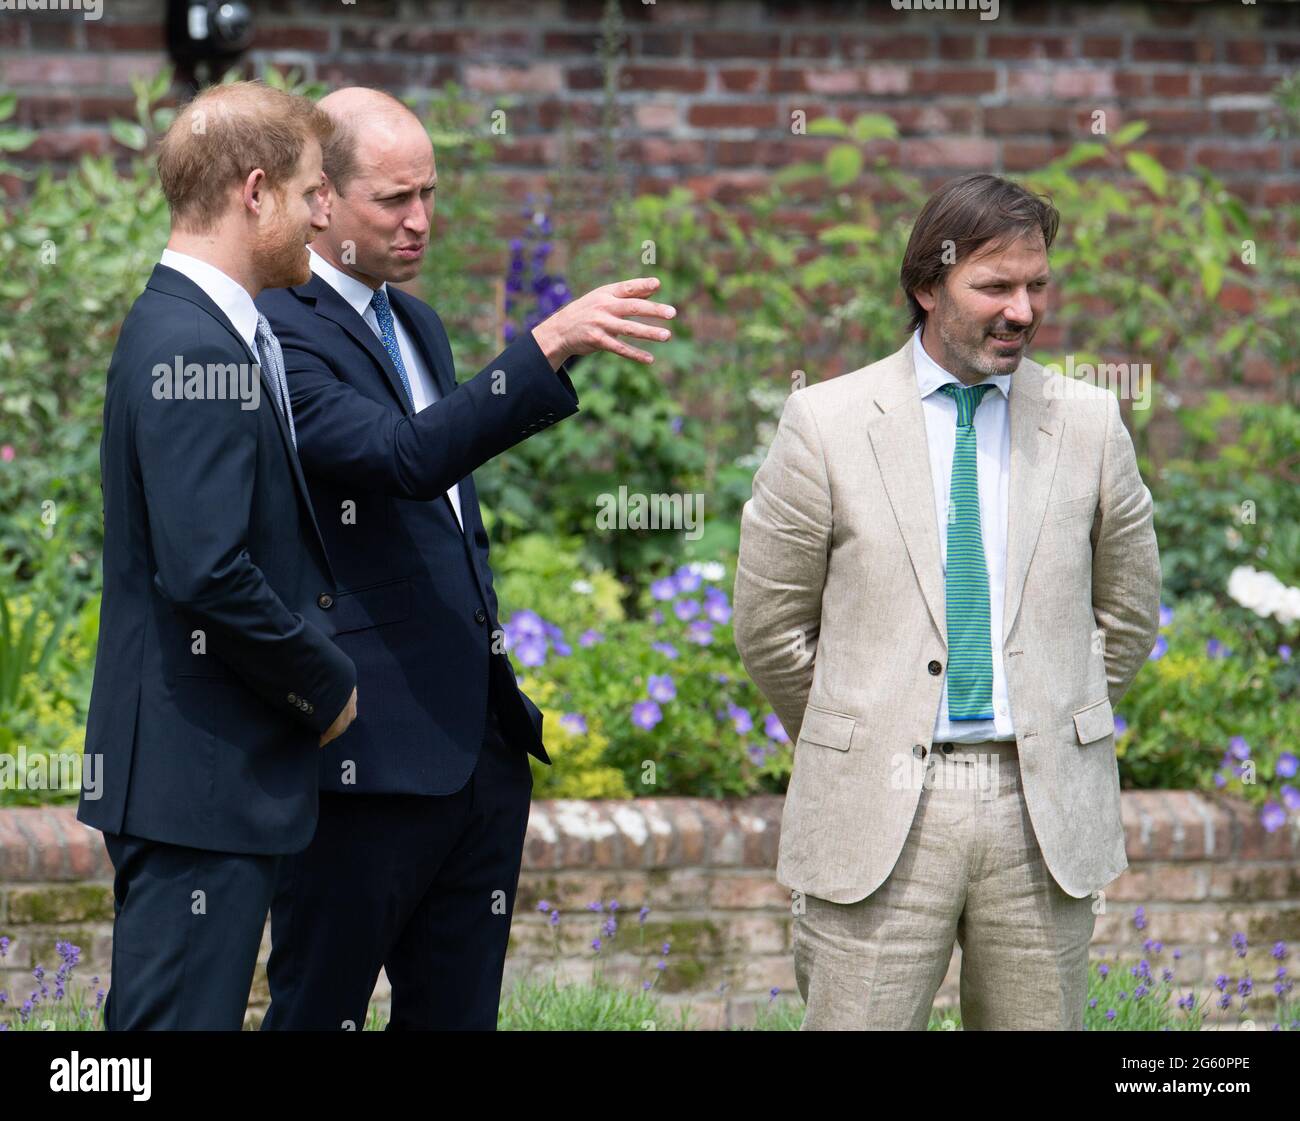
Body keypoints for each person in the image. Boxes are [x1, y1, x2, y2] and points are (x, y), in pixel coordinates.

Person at [255, 87, 676, 1030]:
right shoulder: (276, 326)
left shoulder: (415, 323)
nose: (420, 221)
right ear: (319, 198)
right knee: (317, 1012)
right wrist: (548, 341)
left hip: (475, 757)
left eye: (431, 195)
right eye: (394, 199)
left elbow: (449, 513)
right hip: (361, 757)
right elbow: (405, 459)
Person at [733, 173, 1161, 1030]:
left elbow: (1129, 611)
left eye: (1037, 285)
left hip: (1039, 814)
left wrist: (1050, 708)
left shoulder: (1088, 421)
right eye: (994, 286)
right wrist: (860, 727)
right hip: (880, 809)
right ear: (928, 286)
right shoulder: (825, 421)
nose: (1024, 310)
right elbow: (771, 624)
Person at [80, 81, 359, 1030]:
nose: (329, 214)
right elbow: (205, 570)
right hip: (198, 783)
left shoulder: (211, 329)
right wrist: (324, 682)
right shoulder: (187, 343)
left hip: (205, 779)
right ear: (255, 192)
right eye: (315, 191)